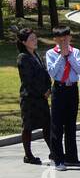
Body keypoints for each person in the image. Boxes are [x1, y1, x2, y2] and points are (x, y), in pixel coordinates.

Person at [44, 27, 80, 170]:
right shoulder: (50, 53)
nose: (63, 40)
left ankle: (72, 157)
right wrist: (62, 56)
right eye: (60, 38)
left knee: (71, 124)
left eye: (66, 37)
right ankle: (57, 159)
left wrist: (70, 56)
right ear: (55, 39)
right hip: (59, 88)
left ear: (70, 37)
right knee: (57, 124)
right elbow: (53, 73)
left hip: (72, 88)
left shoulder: (77, 52)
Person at [16, 28, 53, 166]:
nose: (35, 41)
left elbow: (44, 74)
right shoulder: (23, 57)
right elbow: (28, 80)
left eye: (35, 38)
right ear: (24, 42)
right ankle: (28, 155)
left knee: (47, 125)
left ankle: (53, 151)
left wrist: (48, 88)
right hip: (30, 98)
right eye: (31, 39)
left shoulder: (35, 55)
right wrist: (42, 91)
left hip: (41, 97)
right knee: (28, 126)